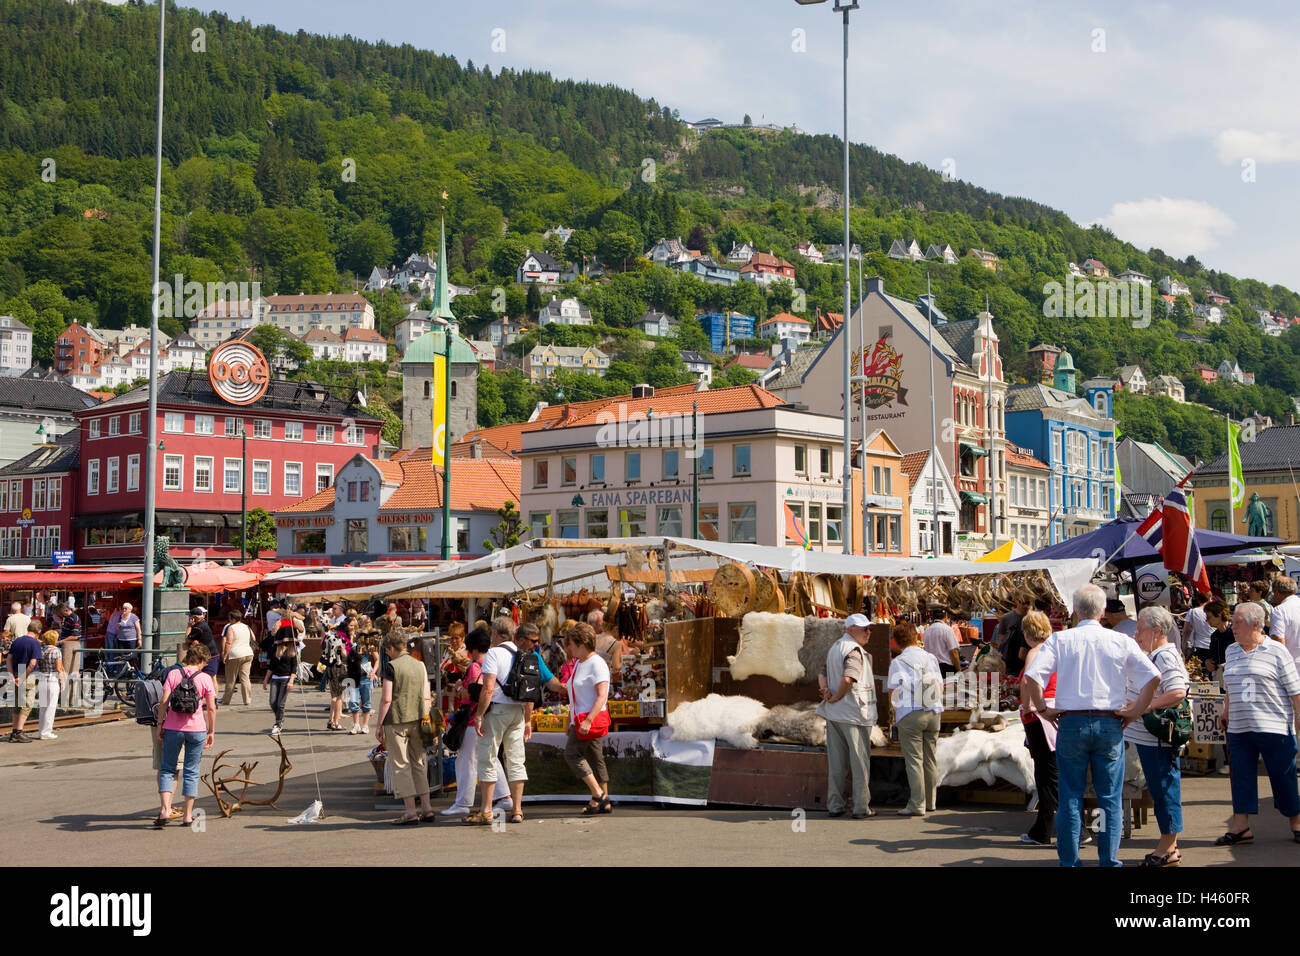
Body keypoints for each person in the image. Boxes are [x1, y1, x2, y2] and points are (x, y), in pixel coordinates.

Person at [1022, 584, 1161, 867]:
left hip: (1071, 722)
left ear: (1075, 610)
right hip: (1108, 722)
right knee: (1109, 796)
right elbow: (1154, 678)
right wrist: (1135, 711)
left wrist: (1044, 709)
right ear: (1102, 612)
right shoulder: (1119, 641)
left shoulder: (1061, 640)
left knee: (1070, 794)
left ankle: (1070, 861)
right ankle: (1108, 860)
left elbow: (1032, 677)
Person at [1215, 601, 1300, 846]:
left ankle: (1295, 821)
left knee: (1283, 775)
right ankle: (1241, 827)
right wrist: (1226, 710)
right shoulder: (1231, 650)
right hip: (1240, 727)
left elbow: (1295, 691)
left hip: (1273, 725)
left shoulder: (1276, 651)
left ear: (1256, 624)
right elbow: (1231, 683)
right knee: (1241, 776)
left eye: (1238, 622)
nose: (1232, 626)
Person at [1124, 606, 1190, 867]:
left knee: (1164, 790)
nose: (1137, 634)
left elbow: (1177, 692)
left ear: (1157, 631)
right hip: (1151, 738)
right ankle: (1169, 846)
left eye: (1140, 629)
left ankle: (1168, 847)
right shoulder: (1157, 654)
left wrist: (1146, 705)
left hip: (1159, 739)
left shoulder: (1163, 656)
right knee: (1162, 789)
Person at [465, 621, 537, 826]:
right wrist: (528, 720)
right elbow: (530, 690)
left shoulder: (494, 654)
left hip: (497, 709)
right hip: (518, 710)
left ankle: (486, 810)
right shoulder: (523, 653)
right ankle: (517, 809)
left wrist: (479, 715)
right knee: (515, 759)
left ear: (495, 634)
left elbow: (488, 688)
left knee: (488, 756)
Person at [441, 627, 509, 816]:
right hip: (492, 716)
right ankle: (505, 798)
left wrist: (463, 690)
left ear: (472, 648)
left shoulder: (474, 666)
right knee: (490, 758)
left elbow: (474, 692)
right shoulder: (493, 662)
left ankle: (463, 802)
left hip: (473, 719)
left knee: (466, 761)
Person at [816, 613, 877, 819]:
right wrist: (836, 695)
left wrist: (826, 691)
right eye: (864, 629)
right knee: (860, 763)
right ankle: (861, 807)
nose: (868, 632)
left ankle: (835, 805)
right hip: (853, 713)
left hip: (835, 715)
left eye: (869, 629)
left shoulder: (836, 647)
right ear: (850, 630)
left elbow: (822, 672)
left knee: (837, 764)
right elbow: (848, 678)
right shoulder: (854, 650)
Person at [153, 642, 217, 827]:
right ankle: (188, 815)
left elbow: (164, 701)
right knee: (191, 771)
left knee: (167, 768)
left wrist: (160, 725)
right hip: (197, 729)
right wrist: (211, 731)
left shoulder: (173, 673)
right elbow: (211, 707)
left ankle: (165, 809)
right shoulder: (205, 678)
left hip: (173, 727)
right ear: (202, 660)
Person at [376, 632, 435, 824]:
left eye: (387, 650)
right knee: (418, 762)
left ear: (391, 648)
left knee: (401, 764)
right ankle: (427, 808)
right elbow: (427, 695)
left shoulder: (391, 667)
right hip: (419, 718)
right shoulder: (420, 665)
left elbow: (386, 698)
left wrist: (379, 724)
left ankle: (410, 811)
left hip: (397, 719)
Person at [887, 621, 942, 816]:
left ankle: (917, 804)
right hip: (933, 712)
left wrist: (894, 713)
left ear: (896, 642)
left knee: (914, 760)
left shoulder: (897, 662)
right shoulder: (930, 658)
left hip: (910, 713)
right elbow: (940, 686)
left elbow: (893, 692)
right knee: (930, 758)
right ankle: (931, 802)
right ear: (916, 637)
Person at [562, 622, 613, 814]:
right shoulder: (580, 664)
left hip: (588, 718)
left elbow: (602, 695)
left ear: (581, 643)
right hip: (580, 718)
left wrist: (588, 719)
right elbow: (574, 695)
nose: (569, 648)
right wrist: (570, 720)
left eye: (572, 644)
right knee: (595, 757)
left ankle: (598, 794)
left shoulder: (596, 663)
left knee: (572, 754)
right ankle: (602, 801)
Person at [1018, 610, 1059, 846]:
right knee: (1052, 774)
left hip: (1039, 718)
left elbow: (1028, 680)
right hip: (1053, 715)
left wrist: (1028, 705)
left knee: (1046, 776)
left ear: (1027, 632)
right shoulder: (1054, 649)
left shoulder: (1035, 652)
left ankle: (1044, 831)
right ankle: (1046, 829)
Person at [5, 621, 43, 743]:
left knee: (17, 704)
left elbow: (9, 659)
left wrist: (11, 675)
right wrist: (22, 677)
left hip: (16, 672)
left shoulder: (17, 641)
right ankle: (19, 732)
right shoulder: (35, 643)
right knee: (27, 705)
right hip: (26, 675)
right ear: (39, 632)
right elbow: (32, 663)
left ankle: (14, 731)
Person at [261, 628, 297, 736]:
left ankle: (278, 723)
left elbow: (294, 668)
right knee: (272, 702)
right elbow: (271, 667)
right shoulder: (276, 650)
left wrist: (291, 681)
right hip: (275, 678)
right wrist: (265, 680)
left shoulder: (292, 651)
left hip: (285, 679)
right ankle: (280, 718)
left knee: (281, 704)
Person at [220, 608, 256, 706]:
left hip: (235, 654)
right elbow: (254, 638)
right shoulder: (247, 626)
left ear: (232, 618)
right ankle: (247, 700)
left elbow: (228, 642)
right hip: (248, 653)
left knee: (231, 678)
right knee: (245, 678)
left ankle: (226, 700)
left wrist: (225, 655)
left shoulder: (231, 628)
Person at [35, 629, 66, 740]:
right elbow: (58, 668)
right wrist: (62, 681)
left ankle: (41, 731)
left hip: (42, 679)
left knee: (43, 707)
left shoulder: (41, 650)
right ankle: (47, 732)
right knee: (51, 707)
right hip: (52, 680)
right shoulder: (56, 651)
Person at [346, 635, 378, 734]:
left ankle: (365, 725)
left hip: (366, 678)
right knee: (353, 702)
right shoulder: (353, 647)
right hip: (354, 677)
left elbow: (377, 659)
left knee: (366, 702)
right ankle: (356, 725)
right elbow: (346, 656)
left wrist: (374, 672)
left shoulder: (371, 648)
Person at [1268, 576, 1300, 668]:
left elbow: (1278, 641)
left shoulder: (1279, 611)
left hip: (1293, 667)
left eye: (1273, 593)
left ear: (1277, 592)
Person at [321, 625, 348, 731]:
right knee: (339, 696)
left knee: (333, 695)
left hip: (330, 668)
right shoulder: (341, 641)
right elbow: (344, 654)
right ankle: (336, 722)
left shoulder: (328, 639)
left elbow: (323, 651)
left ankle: (330, 720)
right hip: (339, 668)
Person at [994, 598, 1030, 678]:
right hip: (1010, 662)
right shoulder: (1006, 618)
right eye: (1023, 602)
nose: (1026, 606)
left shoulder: (1032, 619)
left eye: (1028, 603)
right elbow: (1001, 641)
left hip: (1026, 662)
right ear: (1016, 600)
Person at [923, 607, 962, 677]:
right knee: (949, 687)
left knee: (936, 687)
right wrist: (959, 670)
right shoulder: (947, 630)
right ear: (946, 616)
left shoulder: (927, 631)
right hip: (946, 668)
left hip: (932, 668)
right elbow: (953, 652)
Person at [186, 608, 219, 682]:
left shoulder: (199, 627)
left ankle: (212, 693)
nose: (190, 619)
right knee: (211, 678)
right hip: (209, 655)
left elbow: (187, 639)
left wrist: (189, 626)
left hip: (210, 656)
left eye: (190, 617)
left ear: (195, 618)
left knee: (210, 678)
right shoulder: (202, 624)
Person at [1180, 591, 1213, 666]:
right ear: (1209, 598)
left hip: (1199, 647)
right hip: (1215, 646)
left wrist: (1183, 646)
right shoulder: (1214, 611)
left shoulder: (1192, 612)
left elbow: (1185, 631)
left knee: (1200, 672)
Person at [56, 603, 82, 687]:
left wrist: (61, 641)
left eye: (61, 613)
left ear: (66, 610)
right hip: (64, 645)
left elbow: (75, 636)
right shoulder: (66, 618)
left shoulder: (74, 618)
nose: (60, 615)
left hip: (69, 647)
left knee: (68, 669)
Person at [1204, 600, 1233, 670]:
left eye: (1208, 617)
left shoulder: (1235, 633)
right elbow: (1212, 657)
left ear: (1219, 615)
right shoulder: (1214, 636)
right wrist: (1207, 662)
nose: (1206, 620)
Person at [116, 602, 141, 669]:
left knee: (132, 657)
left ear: (129, 610)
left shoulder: (133, 617)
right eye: (123, 608)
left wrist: (139, 639)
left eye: (125, 608)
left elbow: (138, 629)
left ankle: (134, 672)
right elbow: (118, 628)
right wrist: (118, 626)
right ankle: (124, 673)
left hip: (132, 640)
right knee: (122, 657)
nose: (123, 610)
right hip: (121, 640)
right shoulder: (120, 617)